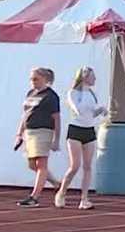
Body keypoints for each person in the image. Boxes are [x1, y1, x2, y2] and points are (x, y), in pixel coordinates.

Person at [55, 67, 107, 209]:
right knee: (75, 166)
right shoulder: (73, 93)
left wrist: (101, 110)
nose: (95, 79)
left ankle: (84, 199)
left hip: (89, 130)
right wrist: (84, 91)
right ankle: (61, 192)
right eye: (92, 76)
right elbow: (78, 110)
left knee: (88, 166)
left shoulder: (92, 93)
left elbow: (90, 114)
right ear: (84, 78)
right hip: (75, 130)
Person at [15, 67, 61, 207]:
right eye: (31, 79)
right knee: (31, 165)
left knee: (41, 164)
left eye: (36, 79)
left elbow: (57, 118)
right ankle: (56, 183)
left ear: (45, 80)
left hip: (43, 131)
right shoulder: (31, 93)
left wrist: (56, 139)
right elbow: (25, 115)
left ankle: (34, 197)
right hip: (29, 132)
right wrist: (19, 133)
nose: (33, 82)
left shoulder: (51, 96)